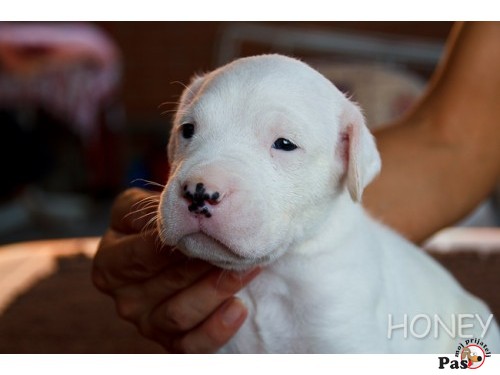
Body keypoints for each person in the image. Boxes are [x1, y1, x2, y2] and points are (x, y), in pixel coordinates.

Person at [92, 22, 500, 353]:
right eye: (191, 130)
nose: (202, 184)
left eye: (284, 144)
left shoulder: (342, 288)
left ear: (349, 154)